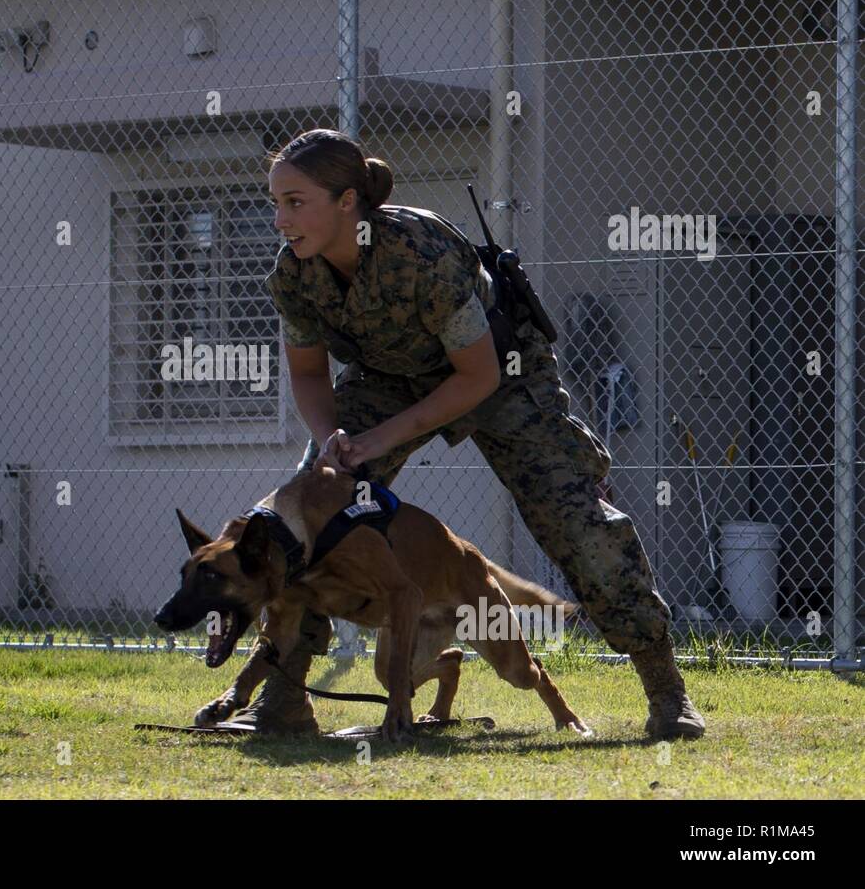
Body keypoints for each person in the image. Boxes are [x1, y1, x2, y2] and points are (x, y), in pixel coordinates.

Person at [225, 128, 705, 741]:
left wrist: (378, 441)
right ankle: (285, 698)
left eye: (295, 202)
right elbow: (309, 373)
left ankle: (666, 692)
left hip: (499, 374)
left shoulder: (419, 250)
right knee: (308, 511)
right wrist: (335, 440)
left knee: (575, 520)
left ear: (347, 201)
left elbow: (474, 377)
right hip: (387, 377)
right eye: (274, 202)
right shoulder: (295, 272)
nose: (279, 219)